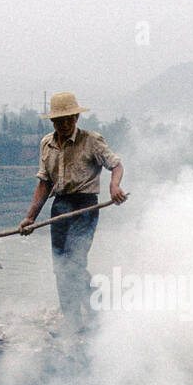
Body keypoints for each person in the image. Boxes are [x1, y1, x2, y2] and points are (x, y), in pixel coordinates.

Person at [19, 92, 127, 334]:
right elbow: (45, 184)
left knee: (74, 263)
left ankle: (97, 309)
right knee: (61, 266)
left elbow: (116, 165)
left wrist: (114, 185)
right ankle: (73, 321)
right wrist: (30, 218)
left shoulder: (91, 141)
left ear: (77, 117)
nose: (64, 124)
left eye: (69, 119)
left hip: (85, 207)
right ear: (52, 122)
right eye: (59, 121)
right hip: (60, 207)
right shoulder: (46, 144)